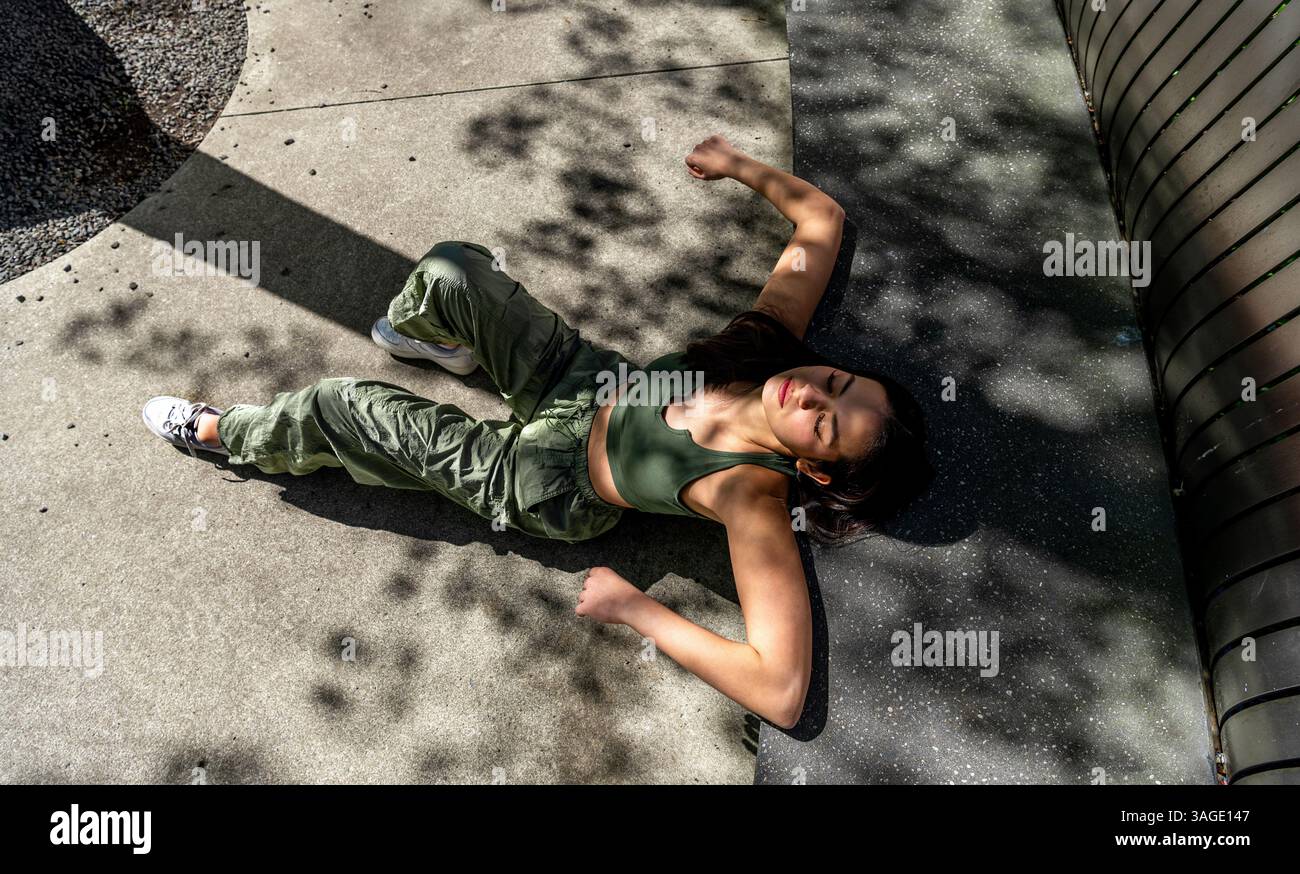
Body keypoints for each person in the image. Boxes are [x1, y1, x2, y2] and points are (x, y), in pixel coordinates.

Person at [141, 134, 933, 730]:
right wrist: (735, 164)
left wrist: (637, 610)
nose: (809, 395)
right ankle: (439, 340)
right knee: (452, 270)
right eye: (834, 382)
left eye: (824, 424)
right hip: (582, 380)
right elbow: (821, 220)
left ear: (816, 470)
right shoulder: (767, 353)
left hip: (540, 480)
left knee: (345, 408)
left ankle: (221, 432)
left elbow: (783, 691)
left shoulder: (751, 496)